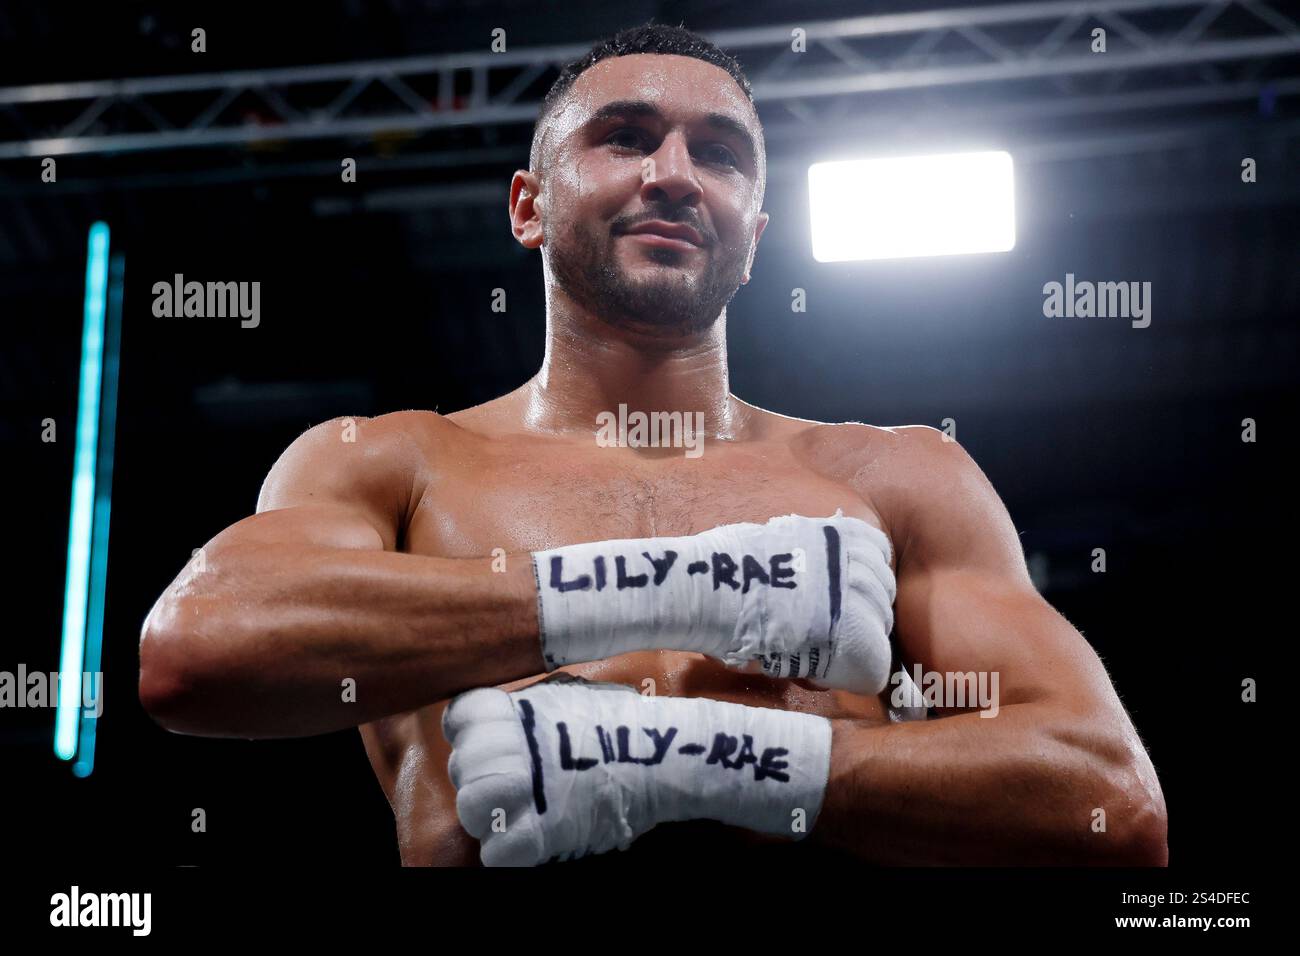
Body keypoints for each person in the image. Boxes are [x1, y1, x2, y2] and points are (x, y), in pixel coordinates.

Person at [138, 24, 1167, 867]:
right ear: (527, 206)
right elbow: (194, 654)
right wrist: (680, 587)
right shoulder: (393, 460)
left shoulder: (892, 478)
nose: (674, 174)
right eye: (624, 137)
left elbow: (1108, 801)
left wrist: (702, 759)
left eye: (719, 153)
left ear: (755, 233)